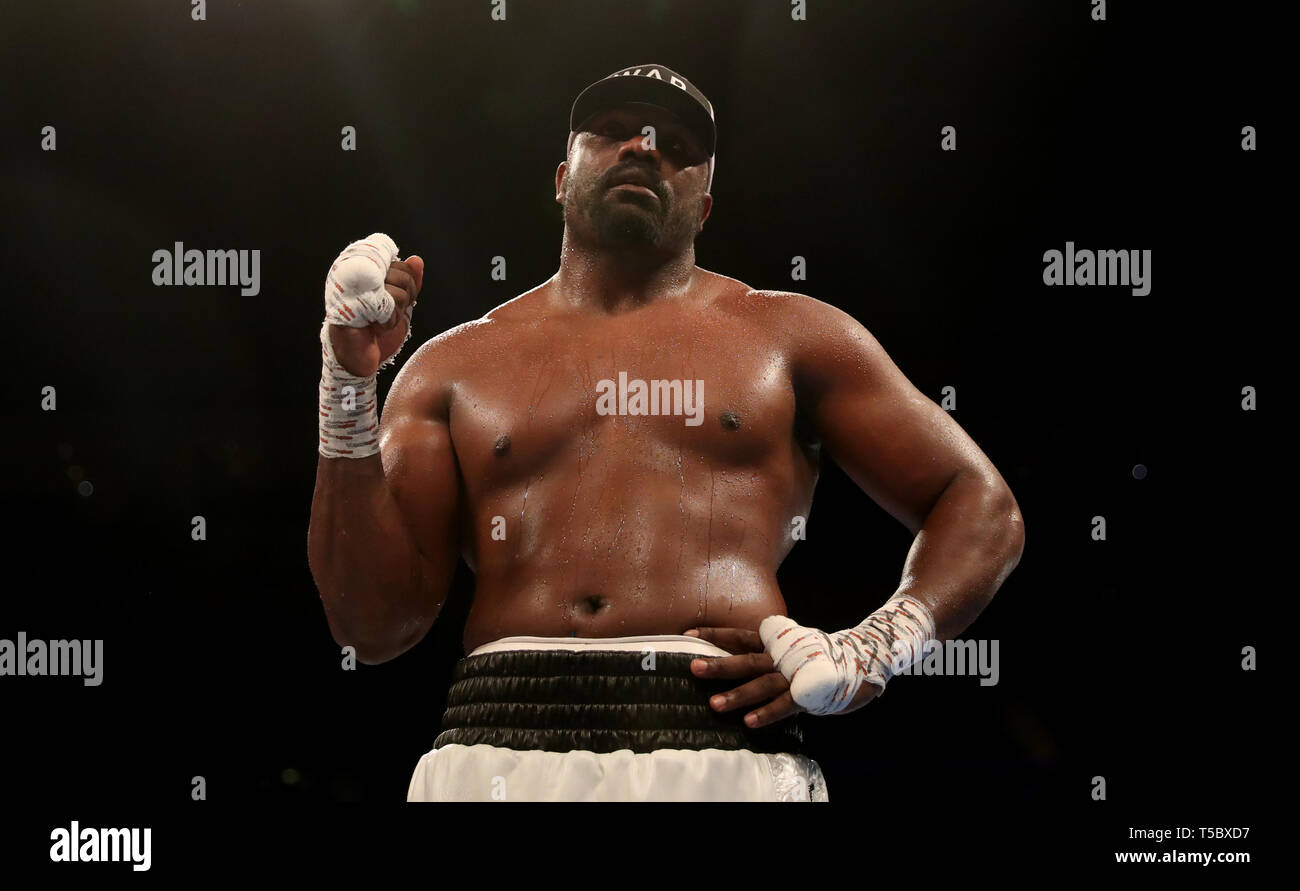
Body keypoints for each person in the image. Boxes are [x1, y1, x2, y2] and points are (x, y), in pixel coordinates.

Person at [307, 64, 1025, 801]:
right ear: (562, 176)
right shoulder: (449, 365)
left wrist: (873, 647)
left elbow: (981, 501)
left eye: (676, 144)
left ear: (704, 204)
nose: (643, 147)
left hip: (717, 743)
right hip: (492, 754)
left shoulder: (793, 335)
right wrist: (347, 382)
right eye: (613, 131)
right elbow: (372, 625)